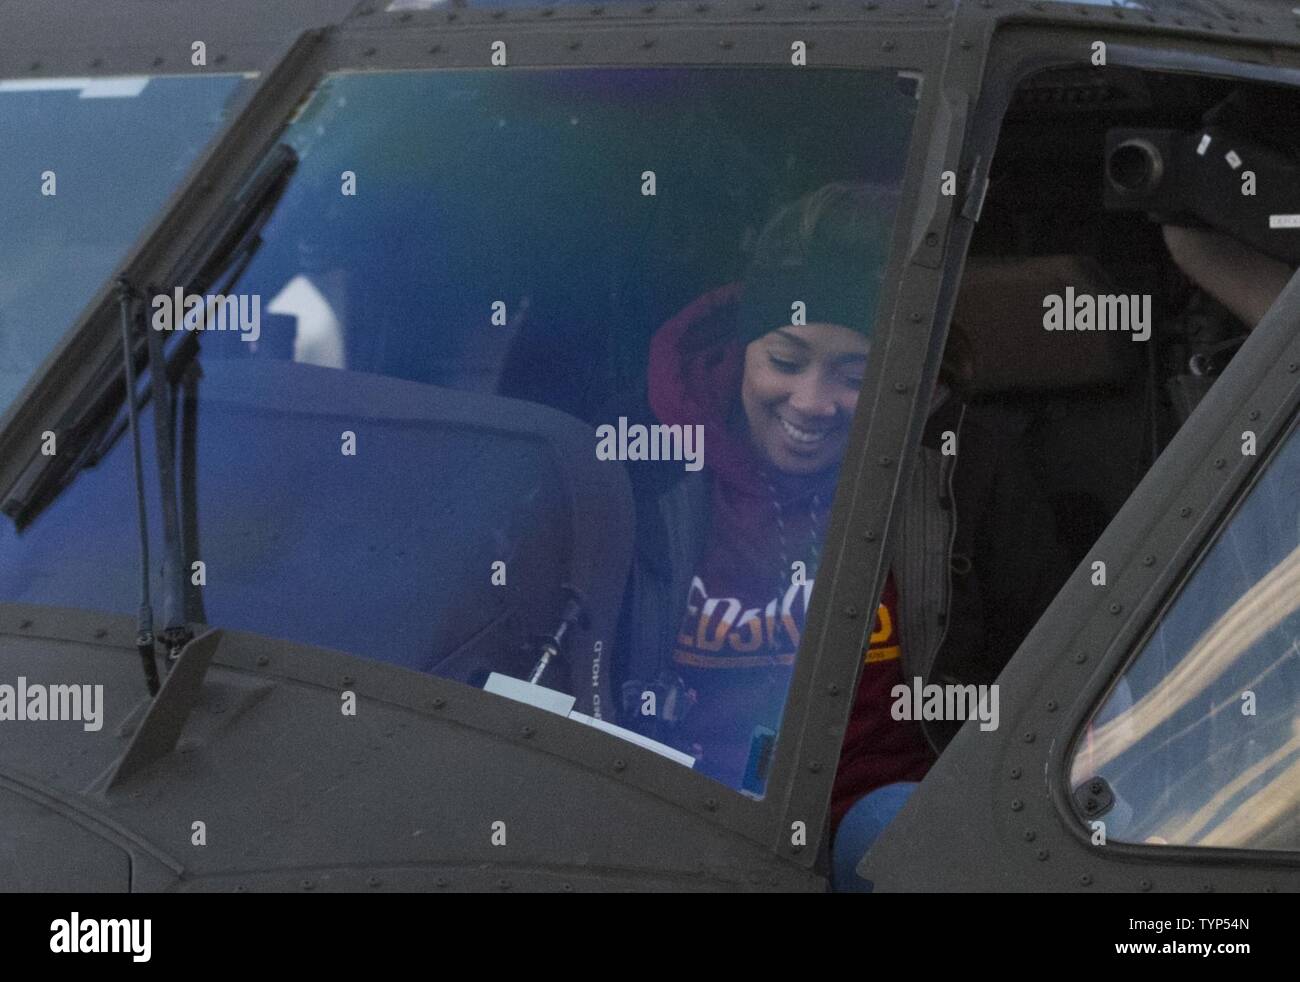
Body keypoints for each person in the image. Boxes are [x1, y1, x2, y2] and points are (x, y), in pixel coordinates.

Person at [613, 182, 1066, 861]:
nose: (811, 402)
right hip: (680, 826)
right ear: (743, 348)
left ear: (906, 375)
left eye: (855, 375)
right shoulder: (643, 466)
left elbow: (1053, 684)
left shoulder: (969, 467)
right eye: (786, 361)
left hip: (888, 834)